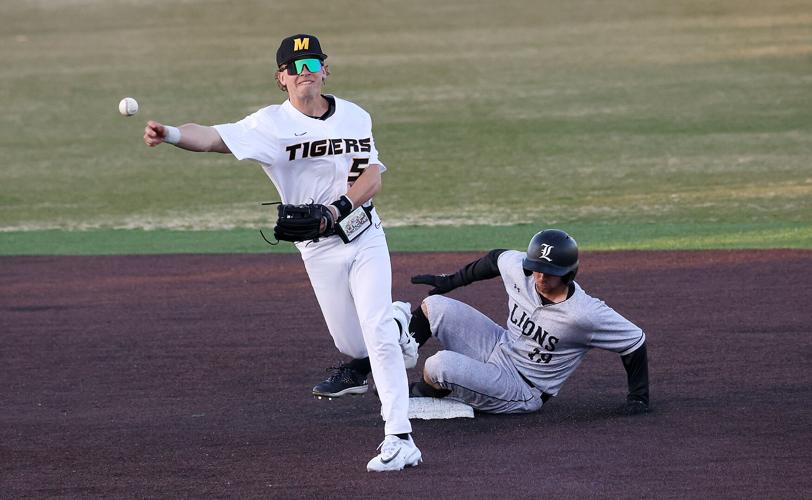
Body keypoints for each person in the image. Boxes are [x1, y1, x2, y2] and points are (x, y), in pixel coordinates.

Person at [143, 34, 420, 472]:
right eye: (294, 67)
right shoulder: (268, 125)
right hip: (318, 249)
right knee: (352, 342)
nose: (304, 71)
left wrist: (339, 208)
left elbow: (371, 177)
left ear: (326, 70)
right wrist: (172, 134)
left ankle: (399, 436)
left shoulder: (355, 115)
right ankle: (401, 320)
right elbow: (212, 137)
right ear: (281, 79)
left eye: (312, 63)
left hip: (366, 236)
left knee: (377, 334)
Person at [402, 228, 650, 415]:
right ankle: (384, 368)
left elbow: (634, 340)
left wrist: (639, 397)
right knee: (435, 307)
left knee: (438, 365)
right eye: (536, 268)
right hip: (498, 345)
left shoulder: (585, 314)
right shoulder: (524, 271)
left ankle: (419, 394)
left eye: (549, 272)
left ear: (568, 273)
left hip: (522, 387)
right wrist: (453, 280)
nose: (540, 276)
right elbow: (495, 259)